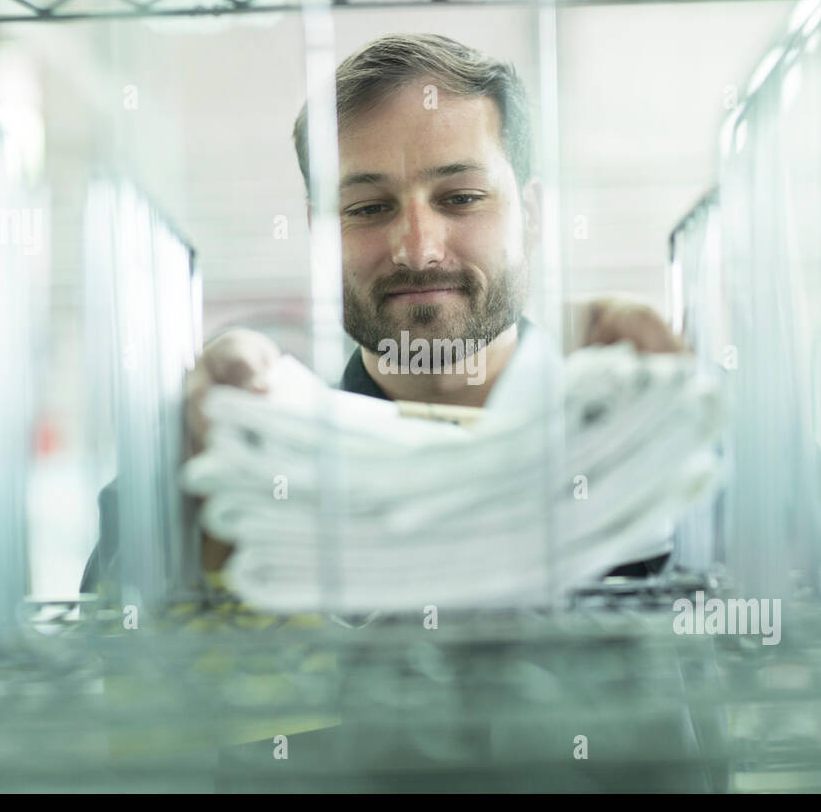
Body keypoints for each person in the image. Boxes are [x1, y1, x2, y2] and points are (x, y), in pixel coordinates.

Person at [82, 33, 687, 596]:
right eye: (367, 208)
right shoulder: (232, 478)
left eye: (461, 198)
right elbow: (101, 681)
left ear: (530, 216)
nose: (417, 249)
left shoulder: (645, 448)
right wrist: (188, 494)